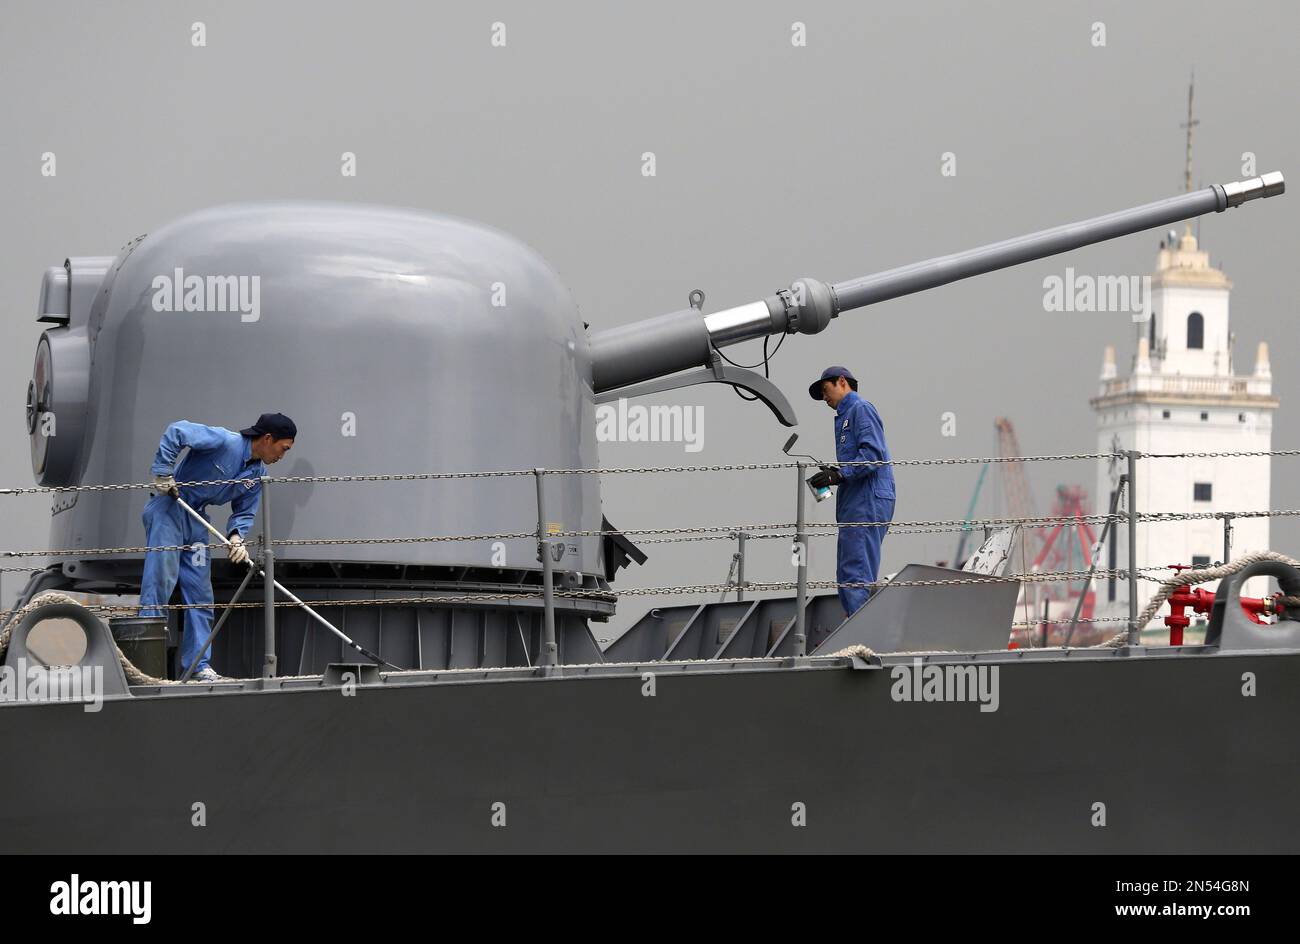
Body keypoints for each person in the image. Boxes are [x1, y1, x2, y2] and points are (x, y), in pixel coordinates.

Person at [139, 413, 296, 682]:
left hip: (197, 519)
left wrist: (236, 537)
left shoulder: (257, 474)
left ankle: (198, 667)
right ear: (268, 439)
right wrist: (163, 471)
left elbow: (244, 511)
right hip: (169, 508)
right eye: (284, 448)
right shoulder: (225, 441)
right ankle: (146, 664)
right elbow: (177, 431)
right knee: (159, 583)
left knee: (200, 593)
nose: (283, 456)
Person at [806, 368, 895, 617]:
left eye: (825, 390)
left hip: (866, 500)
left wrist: (840, 474)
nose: (824, 398)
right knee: (848, 572)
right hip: (857, 500)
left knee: (856, 572)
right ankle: (855, 629)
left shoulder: (860, 409)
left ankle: (860, 638)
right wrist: (836, 473)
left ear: (842, 382)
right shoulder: (847, 415)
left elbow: (873, 455)